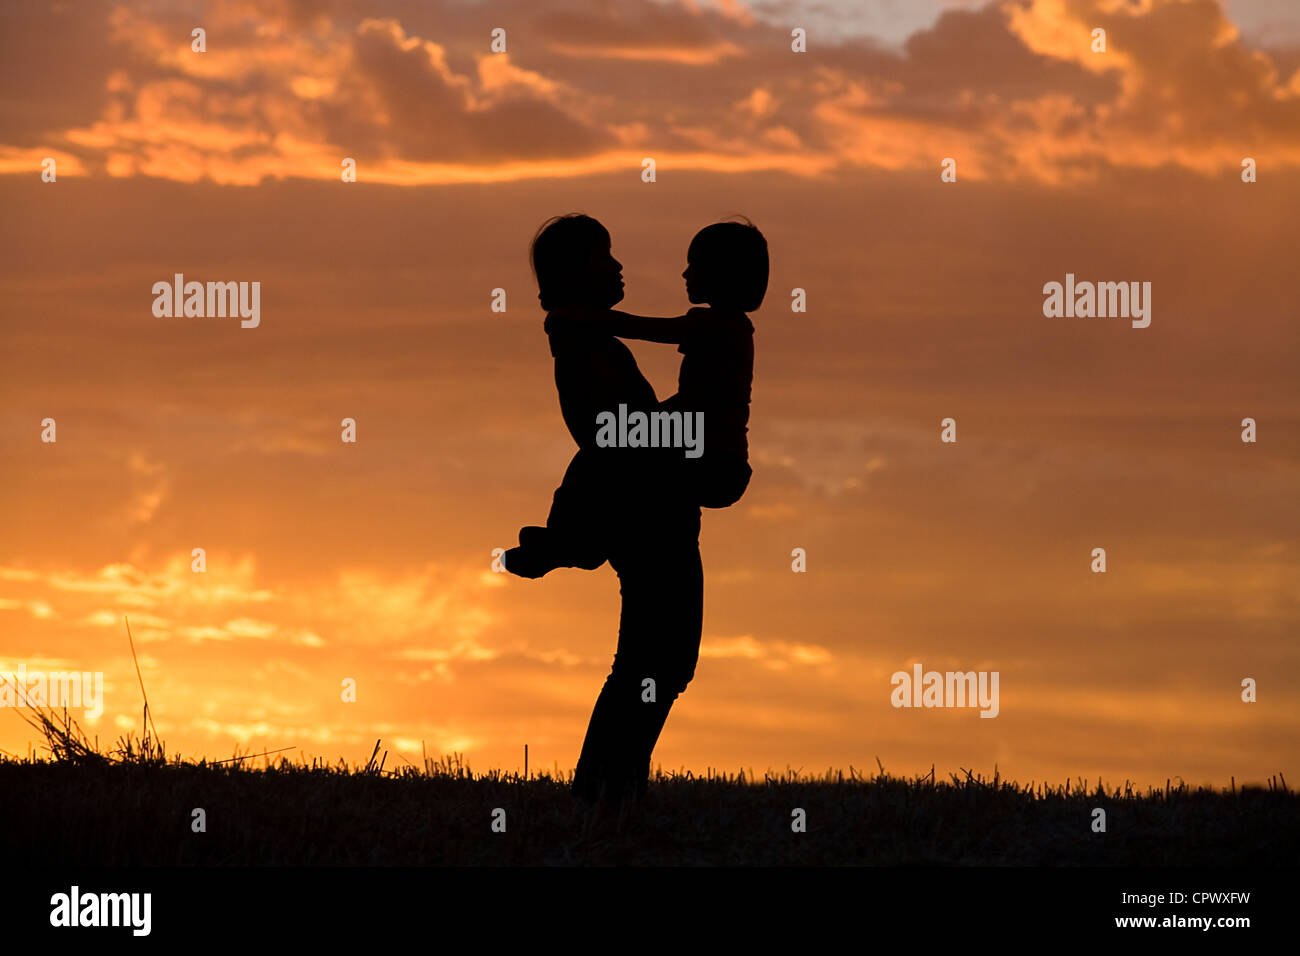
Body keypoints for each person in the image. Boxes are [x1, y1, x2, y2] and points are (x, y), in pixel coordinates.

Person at [505, 214, 705, 805]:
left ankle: (610, 789)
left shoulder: (593, 339)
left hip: (646, 508)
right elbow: (613, 433)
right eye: (604, 257)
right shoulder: (581, 341)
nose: (618, 268)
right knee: (656, 661)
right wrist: (691, 413)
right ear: (572, 275)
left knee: (657, 661)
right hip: (644, 514)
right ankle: (605, 791)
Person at [510, 219, 767, 578]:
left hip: (710, 456)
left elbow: (642, 328)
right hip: (700, 446)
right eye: (605, 256)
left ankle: (573, 541)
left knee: (599, 459)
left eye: (695, 265)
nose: (684, 273)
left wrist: (587, 318)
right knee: (601, 458)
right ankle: (574, 539)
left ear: (722, 274)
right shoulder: (717, 326)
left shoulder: (719, 326)